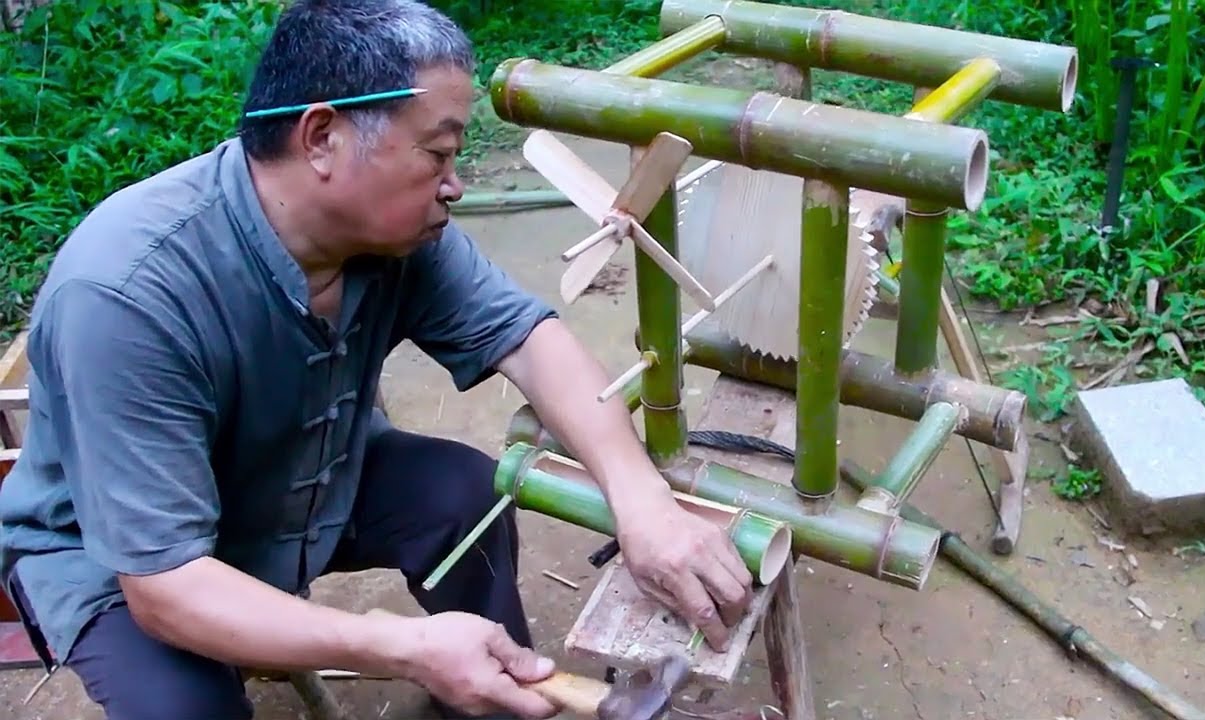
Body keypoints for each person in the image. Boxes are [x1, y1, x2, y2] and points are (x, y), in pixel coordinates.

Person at [0, 1, 754, 718]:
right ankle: (445, 660)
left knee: (461, 493)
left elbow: (529, 339)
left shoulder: (396, 235)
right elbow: (164, 585)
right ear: (323, 138)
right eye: (438, 154)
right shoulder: (131, 294)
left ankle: (500, 696)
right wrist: (399, 646)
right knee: (182, 707)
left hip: (294, 479)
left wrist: (643, 502)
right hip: (125, 560)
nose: (455, 184)